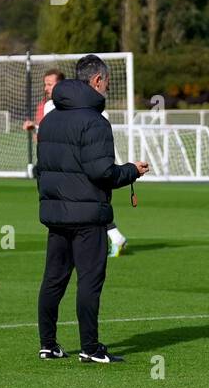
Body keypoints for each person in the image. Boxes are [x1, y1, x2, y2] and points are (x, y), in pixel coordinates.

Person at [35, 54, 148, 363]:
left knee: (53, 279)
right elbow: (102, 172)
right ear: (97, 80)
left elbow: (41, 169)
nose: (107, 88)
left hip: (56, 213)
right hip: (87, 215)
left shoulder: (50, 119)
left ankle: (48, 344)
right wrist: (132, 171)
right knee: (89, 280)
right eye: (106, 82)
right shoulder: (95, 122)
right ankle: (90, 347)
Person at [30, 66, 132, 258]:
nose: (46, 88)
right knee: (86, 203)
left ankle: (107, 241)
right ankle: (114, 238)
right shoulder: (53, 106)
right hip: (67, 165)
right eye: (45, 84)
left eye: (50, 84)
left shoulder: (57, 107)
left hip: (77, 163)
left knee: (83, 204)